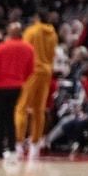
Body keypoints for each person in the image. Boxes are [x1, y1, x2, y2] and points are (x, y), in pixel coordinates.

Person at [14, 12, 58, 159]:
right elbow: (52, 55)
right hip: (46, 73)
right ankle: (35, 146)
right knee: (39, 110)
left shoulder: (30, 31)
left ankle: (18, 144)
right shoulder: (53, 33)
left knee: (21, 107)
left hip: (31, 71)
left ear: (36, 17)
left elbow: (23, 53)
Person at [0, 20, 32, 159]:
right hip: (16, 87)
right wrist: (20, 80)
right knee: (10, 117)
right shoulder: (28, 48)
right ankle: (12, 148)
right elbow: (30, 69)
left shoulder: (1, 47)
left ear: (9, 32)